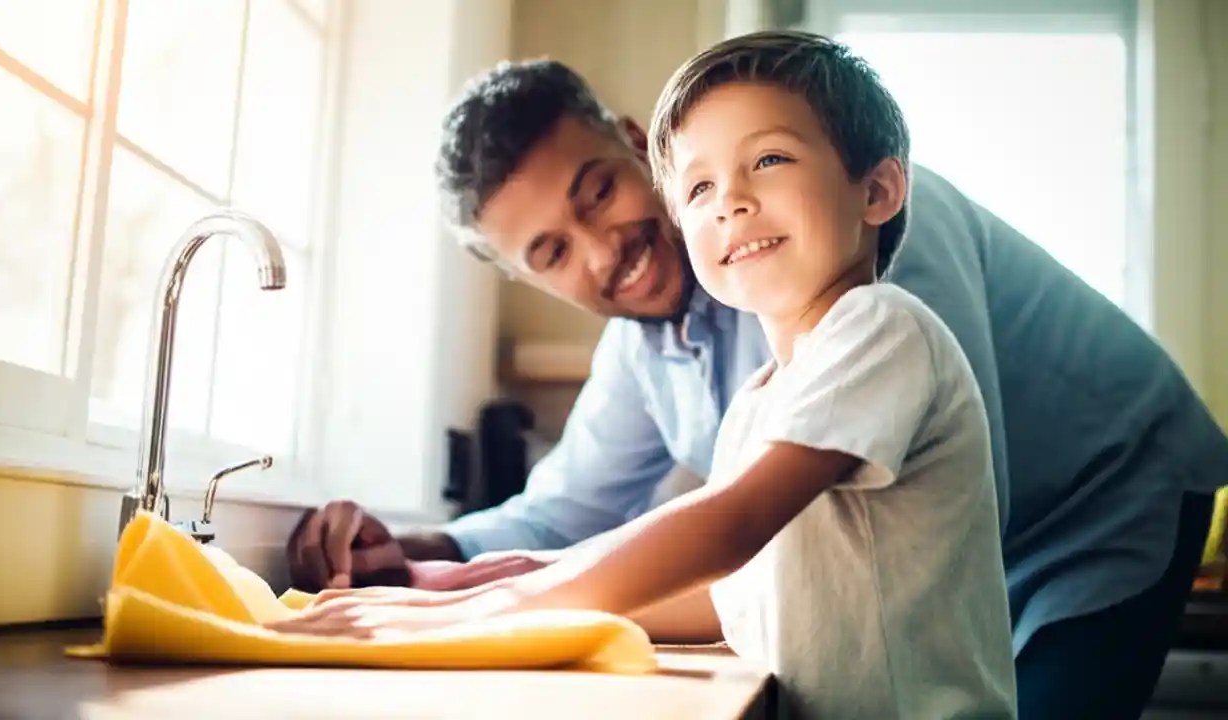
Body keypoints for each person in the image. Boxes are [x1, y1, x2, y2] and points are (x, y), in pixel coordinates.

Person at [286, 33, 1228, 720]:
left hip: (1103, 494)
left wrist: (495, 612)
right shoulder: (679, 354)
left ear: (629, 143)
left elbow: (934, 522)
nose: (603, 250)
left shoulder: (870, 274)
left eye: (600, 192)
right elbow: (564, 515)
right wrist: (424, 562)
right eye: (552, 251)